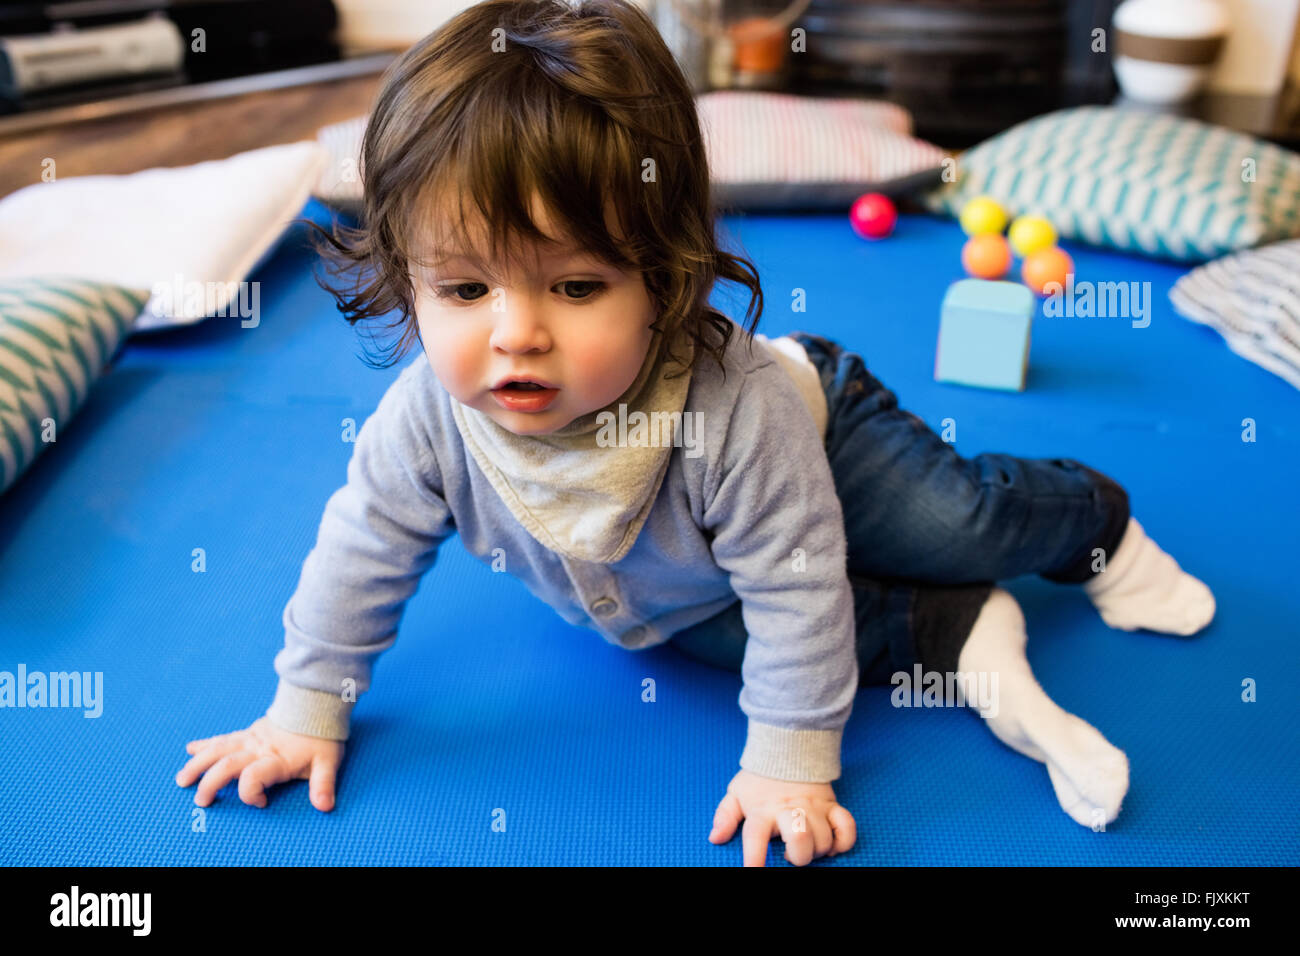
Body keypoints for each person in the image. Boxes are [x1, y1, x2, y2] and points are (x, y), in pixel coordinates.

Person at [174, 0, 1215, 866]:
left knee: (954, 522)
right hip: (680, 578)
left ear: (663, 274)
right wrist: (306, 704)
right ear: (412, 278)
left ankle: (1095, 518)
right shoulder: (428, 421)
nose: (516, 334)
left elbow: (794, 581)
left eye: (576, 284)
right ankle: (947, 629)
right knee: (712, 644)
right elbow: (362, 549)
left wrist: (787, 761)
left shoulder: (732, 408)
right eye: (463, 286)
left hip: (825, 441)